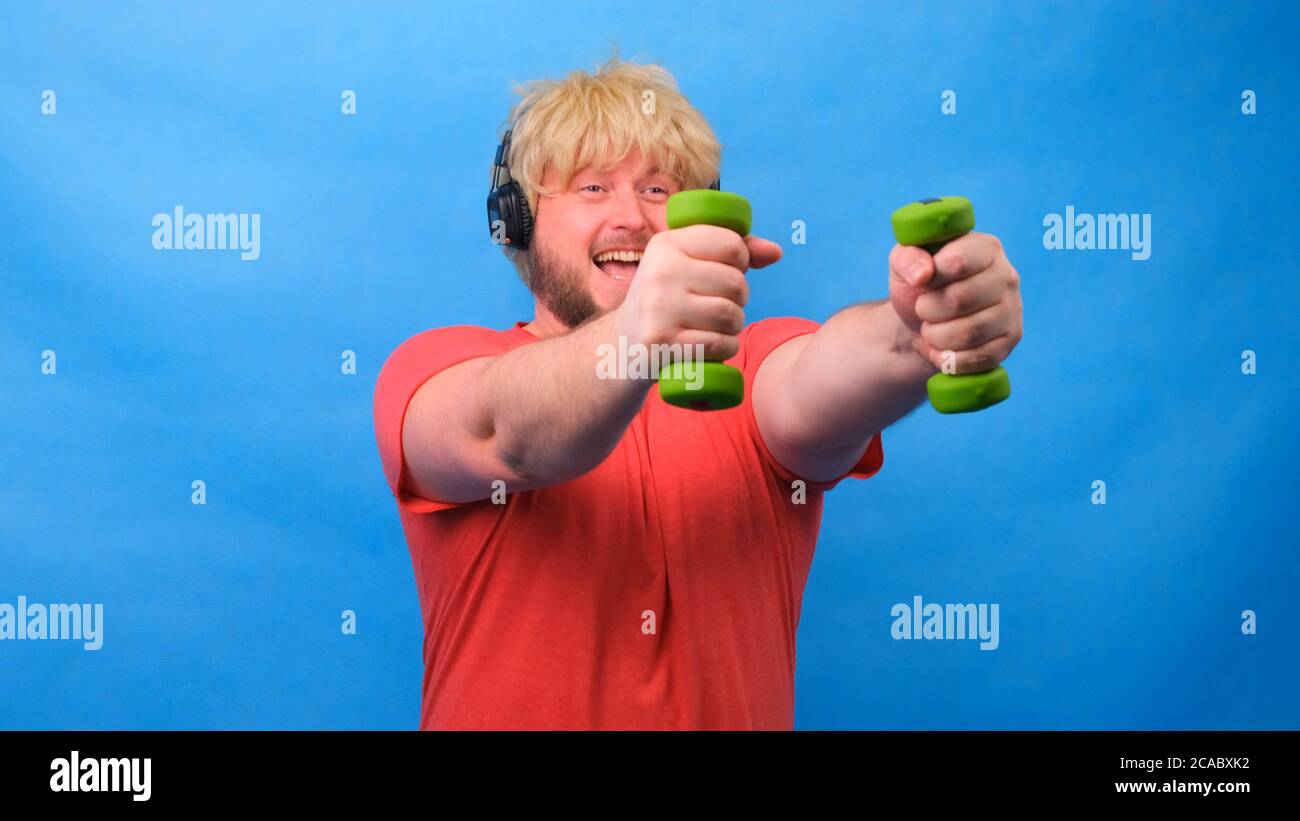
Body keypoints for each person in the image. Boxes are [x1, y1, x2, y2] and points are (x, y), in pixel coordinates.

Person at [373, 56, 1023, 729]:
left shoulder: (752, 370)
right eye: (593, 187)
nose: (632, 217)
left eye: (659, 191)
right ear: (518, 220)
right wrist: (638, 334)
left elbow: (821, 384)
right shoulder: (435, 367)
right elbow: (506, 435)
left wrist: (916, 332)